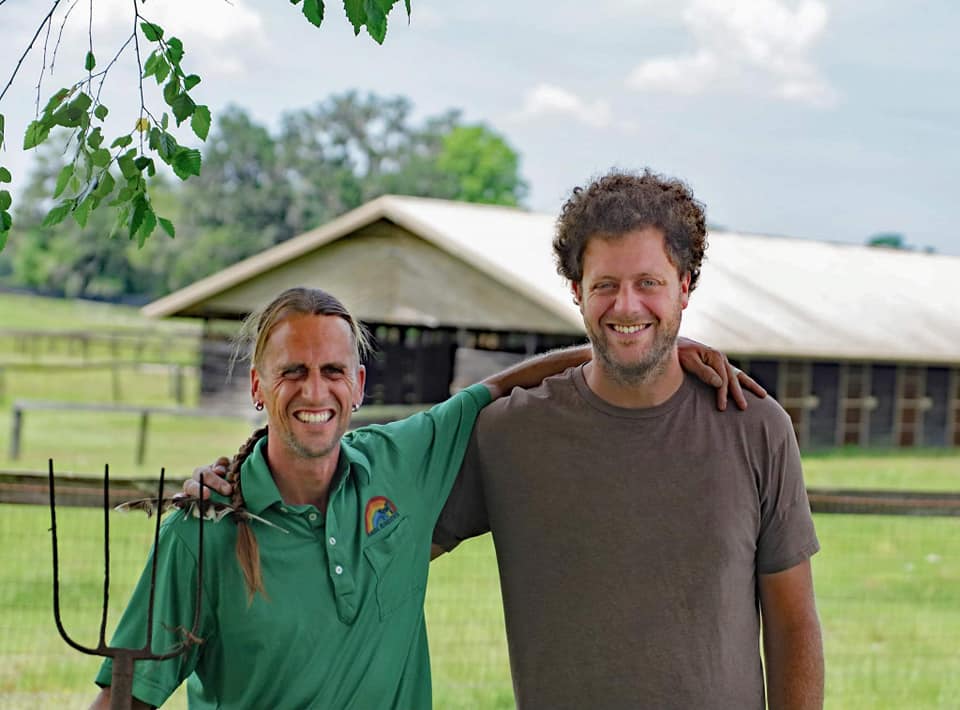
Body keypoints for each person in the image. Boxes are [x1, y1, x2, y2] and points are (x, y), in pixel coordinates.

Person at [92, 286, 753, 709]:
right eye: (293, 372)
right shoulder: (202, 533)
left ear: (358, 384)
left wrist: (658, 348)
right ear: (259, 389)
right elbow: (126, 697)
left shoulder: (401, 462)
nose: (315, 391)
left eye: (332, 371)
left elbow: (504, 386)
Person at [433, 169, 824, 709]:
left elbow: (793, 624)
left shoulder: (755, 427)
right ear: (577, 292)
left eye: (648, 283)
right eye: (605, 286)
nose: (626, 306)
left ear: (684, 286)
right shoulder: (509, 434)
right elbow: (392, 549)